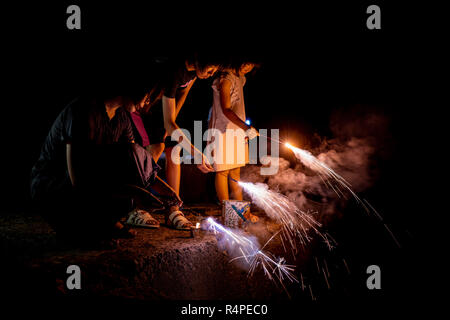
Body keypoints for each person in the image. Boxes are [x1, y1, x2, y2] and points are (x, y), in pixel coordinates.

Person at [30, 91, 184, 244]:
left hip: (92, 182)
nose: (148, 102)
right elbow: (78, 181)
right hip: (57, 188)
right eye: (147, 94)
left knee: (133, 152)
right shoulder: (83, 111)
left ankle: (103, 223)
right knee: (122, 185)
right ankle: (85, 231)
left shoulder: (121, 116)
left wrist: (166, 191)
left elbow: (135, 163)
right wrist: (137, 194)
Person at [138, 53, 223, 228]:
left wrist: (172, 124)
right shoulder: (173, 70)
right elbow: (168, 122)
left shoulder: (194, 73)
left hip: (168, 112)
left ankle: (173, 209)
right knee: (156, 148)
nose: (211, 73)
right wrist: (195, 153)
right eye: (211, 68)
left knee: (174, 151)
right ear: (200, 58)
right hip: (148, 108)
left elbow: (182, 94)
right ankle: (138, 207)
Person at [207, 58, 260, 223]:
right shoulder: (226, 79)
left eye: (252, 65)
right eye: (246, 62)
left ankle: (241, 212)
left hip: (237, 131)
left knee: (235, 171)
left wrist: (243, 129)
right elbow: (226, 109)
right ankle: (227, 212)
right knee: (222, 171)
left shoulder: (240, 78)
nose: (248, 67)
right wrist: (247, 127)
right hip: (223, 130)